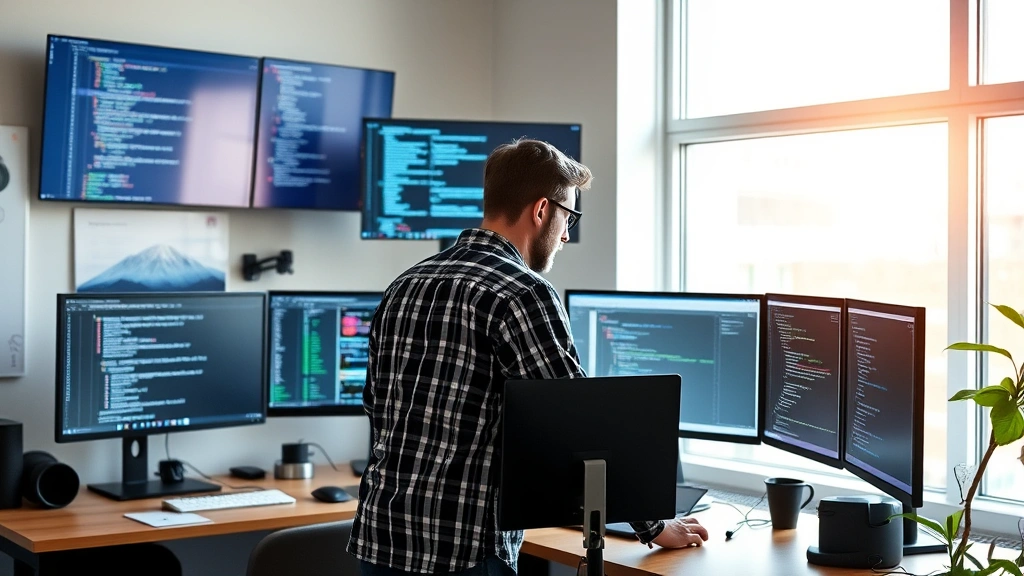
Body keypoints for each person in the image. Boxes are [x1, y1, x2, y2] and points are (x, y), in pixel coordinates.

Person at [348, 139, 708, 576]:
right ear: (542, 210)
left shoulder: (404, 284)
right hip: (460, 553)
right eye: (568, 217)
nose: (566, 234)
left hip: (378, 541)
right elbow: (582, 424)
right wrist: (653, 525)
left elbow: (375, 405)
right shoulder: (522, 292)